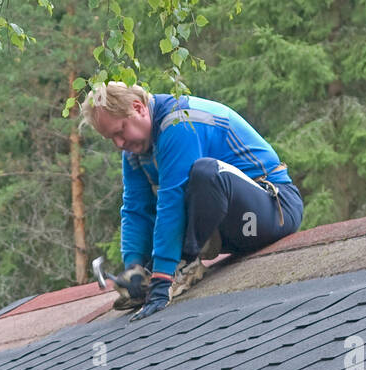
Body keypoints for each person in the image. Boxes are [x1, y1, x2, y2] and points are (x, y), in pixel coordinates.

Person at [80, 82, 303, 320]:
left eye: (120, 131)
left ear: (138, 108)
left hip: (275, 210)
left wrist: (163, 278)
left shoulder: (179, 121)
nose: (119, 144)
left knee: (206, 173)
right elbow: (135, 209)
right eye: (110, 138)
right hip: (234, 230)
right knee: (153, 243)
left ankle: (183, 264)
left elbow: (172, 200)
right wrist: (134, 268)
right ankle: (175, 265)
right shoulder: (135, 152)